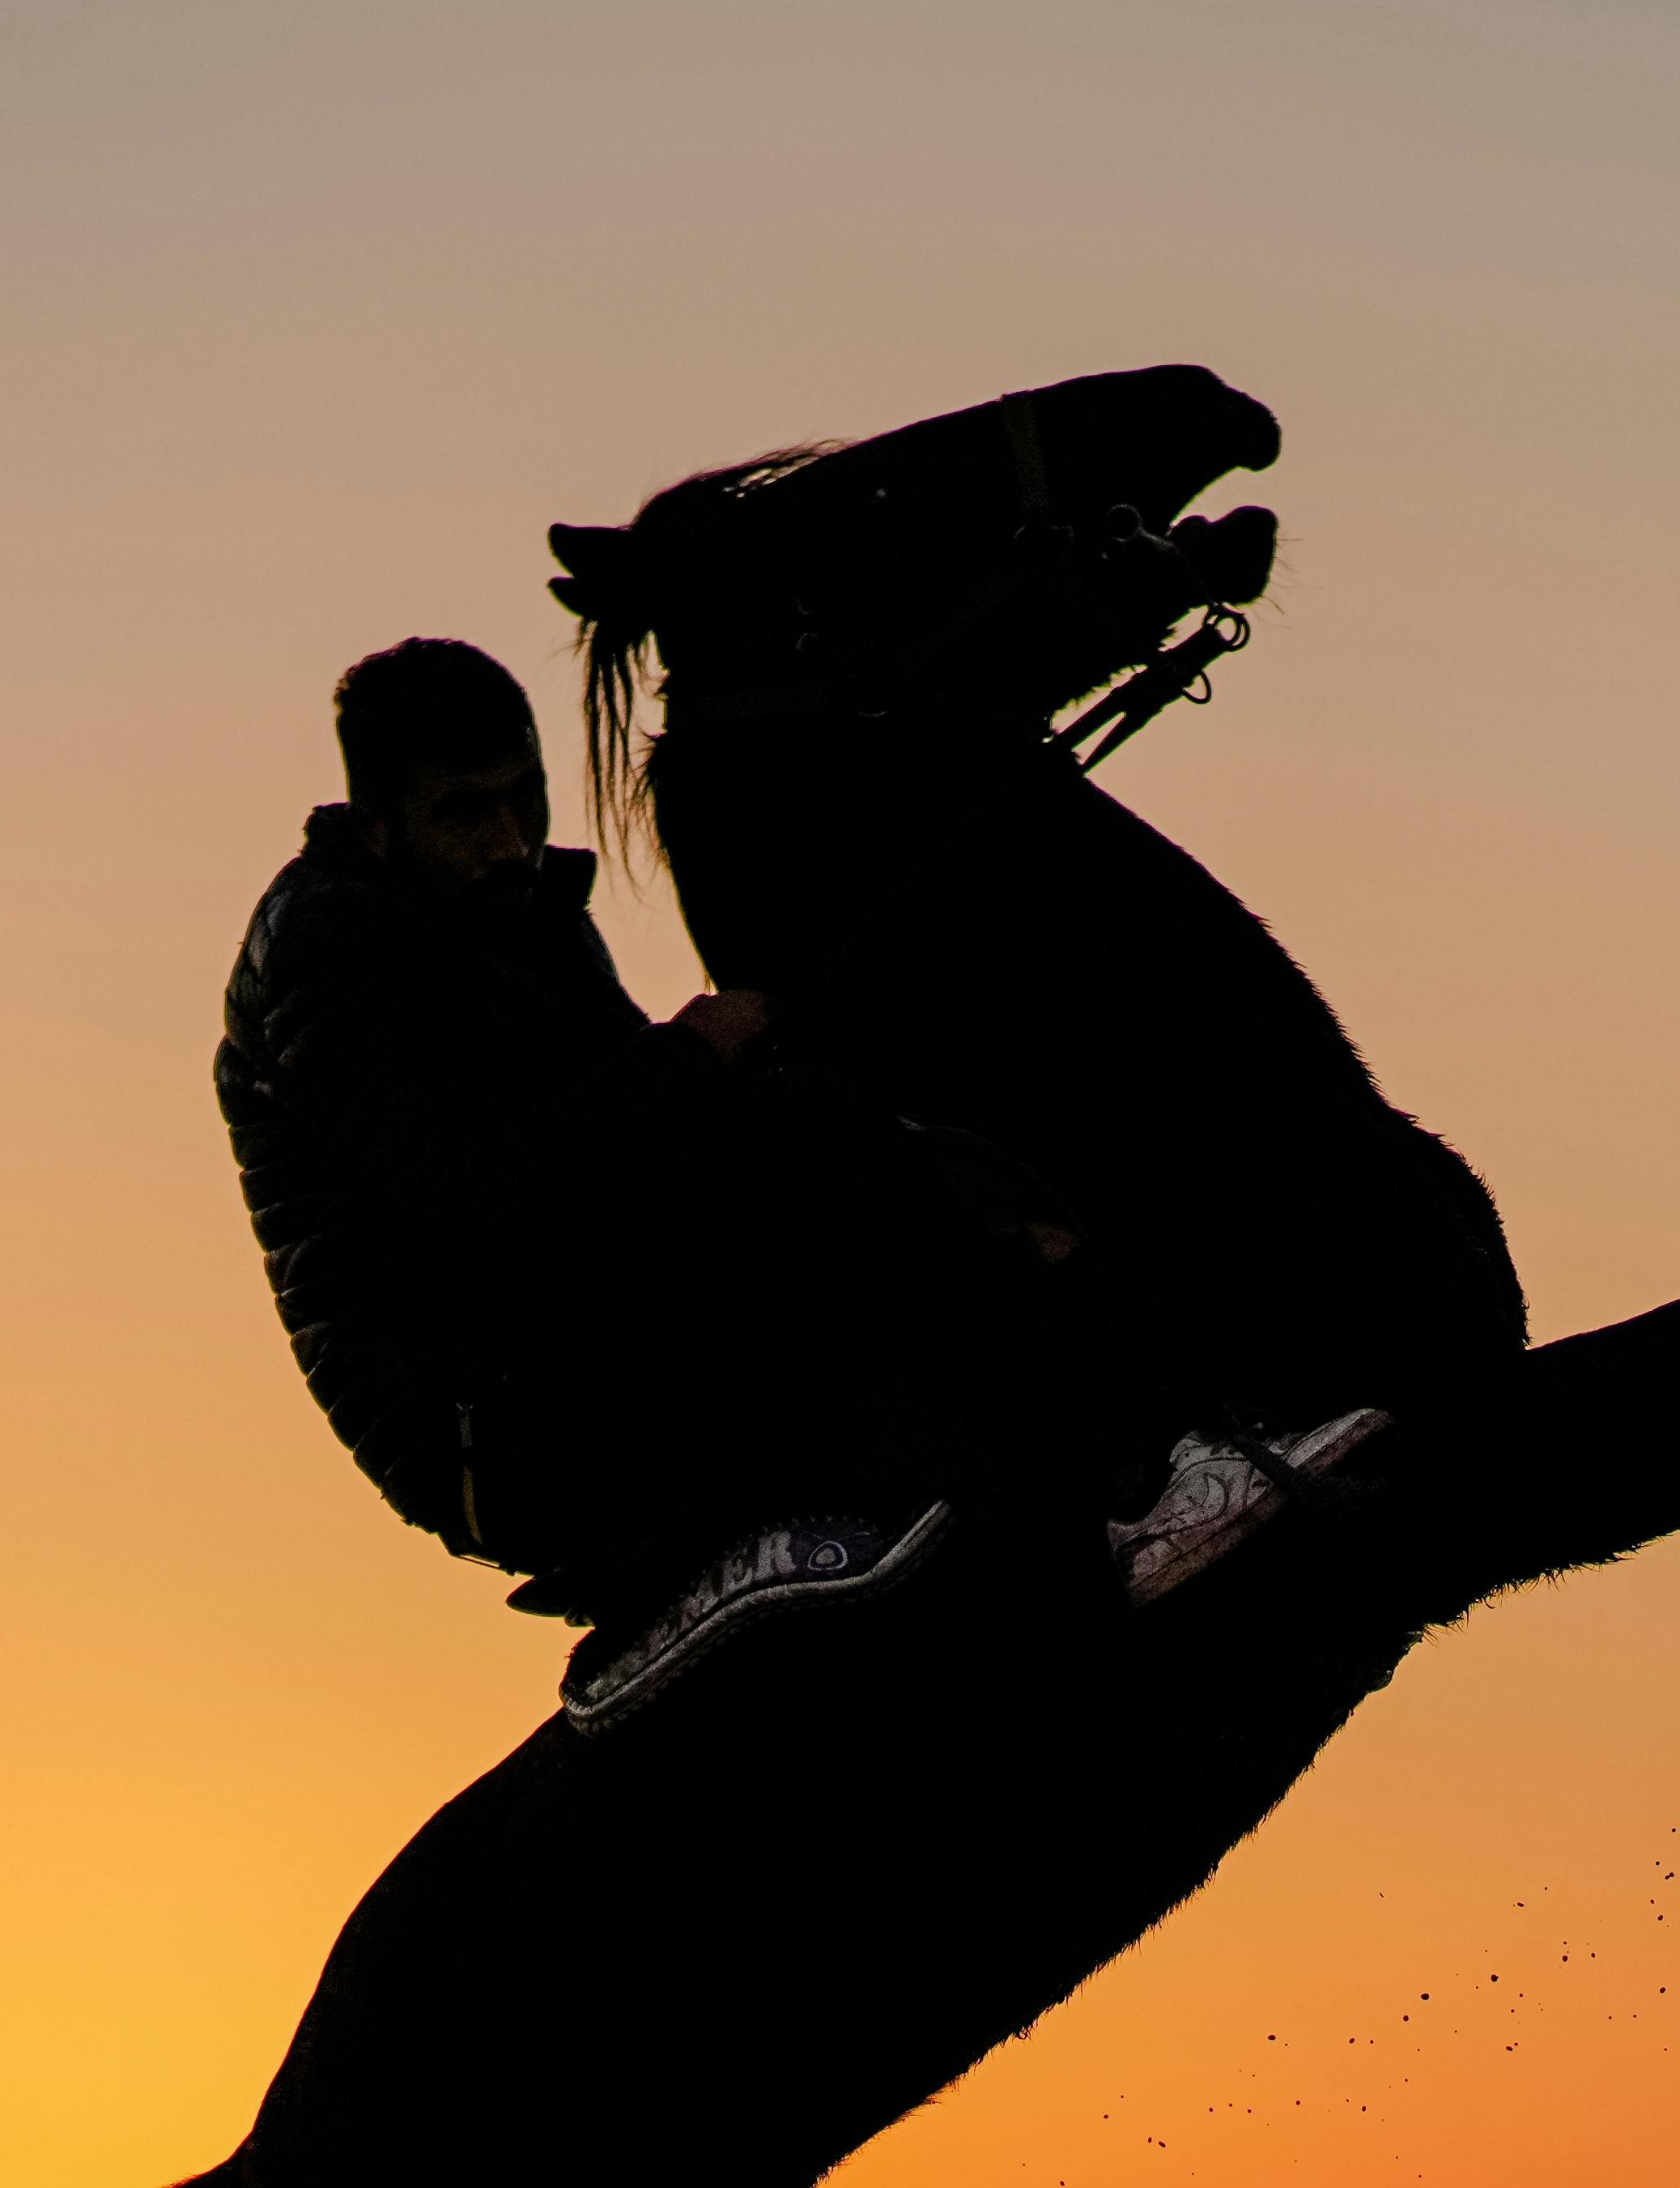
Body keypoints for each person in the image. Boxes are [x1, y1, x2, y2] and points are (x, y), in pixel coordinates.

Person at [218, 639, 1064, 1618]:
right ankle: (1128, 1484)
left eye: (522, 797)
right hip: (497, 1428)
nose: (507, 840)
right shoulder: (328, 948)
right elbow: (485, 1198)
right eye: (461, 811)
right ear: (374, 826)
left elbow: (642, 1141)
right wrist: (695, 1053)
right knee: (811, 1126)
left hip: (570, 1332)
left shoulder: (515, 919)